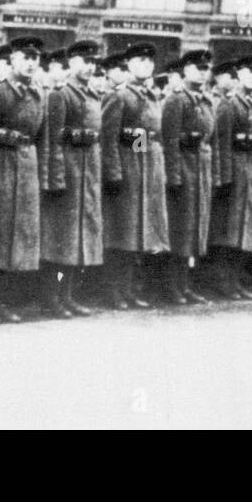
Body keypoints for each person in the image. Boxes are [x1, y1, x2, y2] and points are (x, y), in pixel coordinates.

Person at [0, 36, 47, 323]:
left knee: (17, 241)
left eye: (35, 58)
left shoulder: (39, 92)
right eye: (24, 57)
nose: (30, 63)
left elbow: (42, 137)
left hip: (26, 170)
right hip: (0, 168)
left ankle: (1, 300)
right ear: (12, 59)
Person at [99, 41, 169, 309]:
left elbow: (148, 133)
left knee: (139, 234)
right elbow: (109, 137)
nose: (146, 65)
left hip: (146, 170)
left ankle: (127, 290)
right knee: (121, 234)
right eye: (140, 61)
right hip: (127, 171)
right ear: (128, 65)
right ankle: (113, 291)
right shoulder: (119, 96)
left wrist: (146, 156)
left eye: (150, 62)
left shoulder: (151, 96)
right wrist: (114, 172)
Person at [38, 41, 102, 317]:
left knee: (79, 239)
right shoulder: (61, 94)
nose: (89, 67)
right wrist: (55, 176)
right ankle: (52, 298)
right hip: (68, 171)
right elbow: (52, 137)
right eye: (84, 61)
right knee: (61, 240)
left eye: (92, 62)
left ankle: (68, 295)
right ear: (72, 63)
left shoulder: (92, 94)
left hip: (88, 173)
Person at [210, 55, 252, 299]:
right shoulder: (229, 104)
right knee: (230, 229)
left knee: (247, 229)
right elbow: (221, 143)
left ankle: (236, 281)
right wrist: (223, 177)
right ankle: (223, 281)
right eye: (249, 72)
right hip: (235, 168)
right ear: (238, 75)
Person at [160, 49, 215, 305]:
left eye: (206, 69)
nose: (203, 72)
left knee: (194, 230)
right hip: (182, 167)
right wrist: (173, 176)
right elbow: (168, 141)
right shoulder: (176, 100)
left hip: (201, 169)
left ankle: (185, 285)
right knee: (180, 230)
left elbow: (209, 139)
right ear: (186, 70)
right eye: (197, 68)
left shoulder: (205, 100)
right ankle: (172, 286)